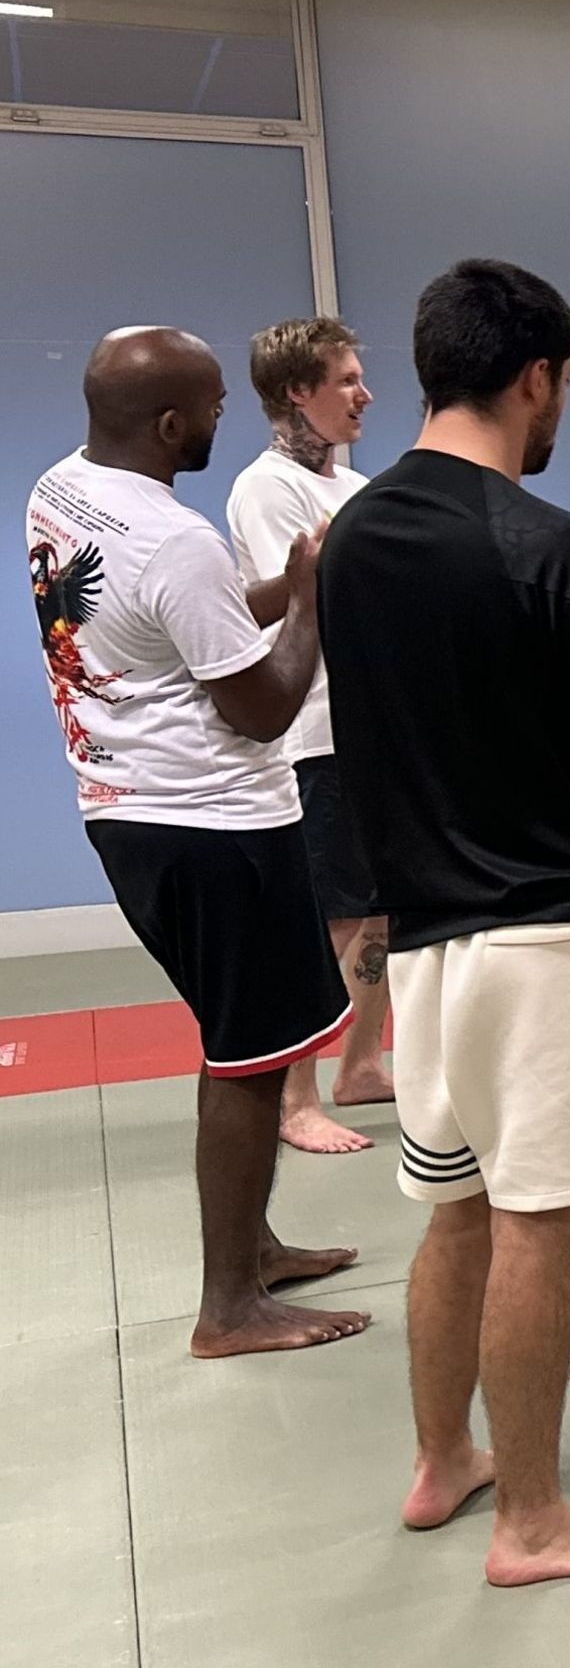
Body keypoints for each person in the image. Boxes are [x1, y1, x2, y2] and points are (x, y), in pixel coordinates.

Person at [318, 260, 570, 1588]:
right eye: (564, 386)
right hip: (551, 934)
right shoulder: (555, 544)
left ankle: (445, 1461)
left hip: (424, 942)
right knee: (544, 1221)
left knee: (460, 1212)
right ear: (535, 376)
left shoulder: (355, 536)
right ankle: (531, 1520)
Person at [26, 327, 368, 1358]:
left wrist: (282, 585)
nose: (228, 417)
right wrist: (310, 599)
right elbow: (262, 709)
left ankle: (252, 1249)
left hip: (129, 810)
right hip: (210, 824)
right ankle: (230, 1308)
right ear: (171, 424)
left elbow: (197, 622)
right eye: (215, 405)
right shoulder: (174, 537)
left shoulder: (64, 487)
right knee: (250, 1058)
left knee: (239, 1042)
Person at [227, 316, 394, 1153]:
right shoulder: (268, 489)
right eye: (348, 380)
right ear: (299, 391)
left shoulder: (354, 487)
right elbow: (300, 594)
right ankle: (296, 1098)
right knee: (329, 917)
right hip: (318, 731)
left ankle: (360, 1065)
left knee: (382, 911)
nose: (366, 394)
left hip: (378, 726)